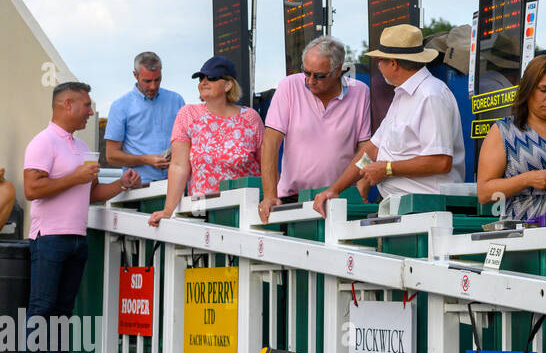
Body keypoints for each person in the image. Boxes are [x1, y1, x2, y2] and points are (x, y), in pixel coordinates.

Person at [21, 82, 142, 353]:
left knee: (62, 310)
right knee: (42, 309)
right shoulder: (43, 142)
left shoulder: (75, 146)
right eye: (86, 105)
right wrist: (76, 176)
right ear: (67, 104)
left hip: (76, 236)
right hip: (49, 238)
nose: (91, 111)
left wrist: (120, 184)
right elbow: (32, 190)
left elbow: (89, 194)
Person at [313, 24, 464, 213]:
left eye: (380, 60)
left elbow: (440, 162)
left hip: (428, 210)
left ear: (393, 63)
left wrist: (387, 169)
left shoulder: (431, 94)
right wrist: (335, 189)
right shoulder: (403, 95)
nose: (378, 66)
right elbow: (372, 150)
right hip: (407, 208)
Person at [258, 36, 371, 224]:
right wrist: (269, 194)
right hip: (293, 200)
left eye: (319, 75)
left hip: (339, 201)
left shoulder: (361, 92)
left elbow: (366, 149)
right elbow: (270, 143)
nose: (310, 81)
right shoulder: (289, 86)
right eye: (306, 72)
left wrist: (362, 188)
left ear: (338, 70)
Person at [149, 56, 263, 226]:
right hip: (201, 209)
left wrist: (272, 199)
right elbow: (179, 165)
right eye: (201, 78)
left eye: (212, 78)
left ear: (228, 85)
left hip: (246, 211)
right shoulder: (188, 114)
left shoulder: (251, 118)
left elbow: (266, 164)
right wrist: (168, 210)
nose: (204, 82)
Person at [476, 55, 546, 222]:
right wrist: (527, 179)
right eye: (543, 89)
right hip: (522, 239)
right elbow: (484, 193)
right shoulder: (504, 131)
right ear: (528, 89)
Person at [103, 51, 185, 186]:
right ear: (135, 75)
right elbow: (111, 156)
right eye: (147, 81)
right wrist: (146, 160)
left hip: (176, 183)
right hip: (139, 187)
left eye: (157, 79)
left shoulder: (176, 100)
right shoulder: (120, 106)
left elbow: (189, 141)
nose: (153, 86)